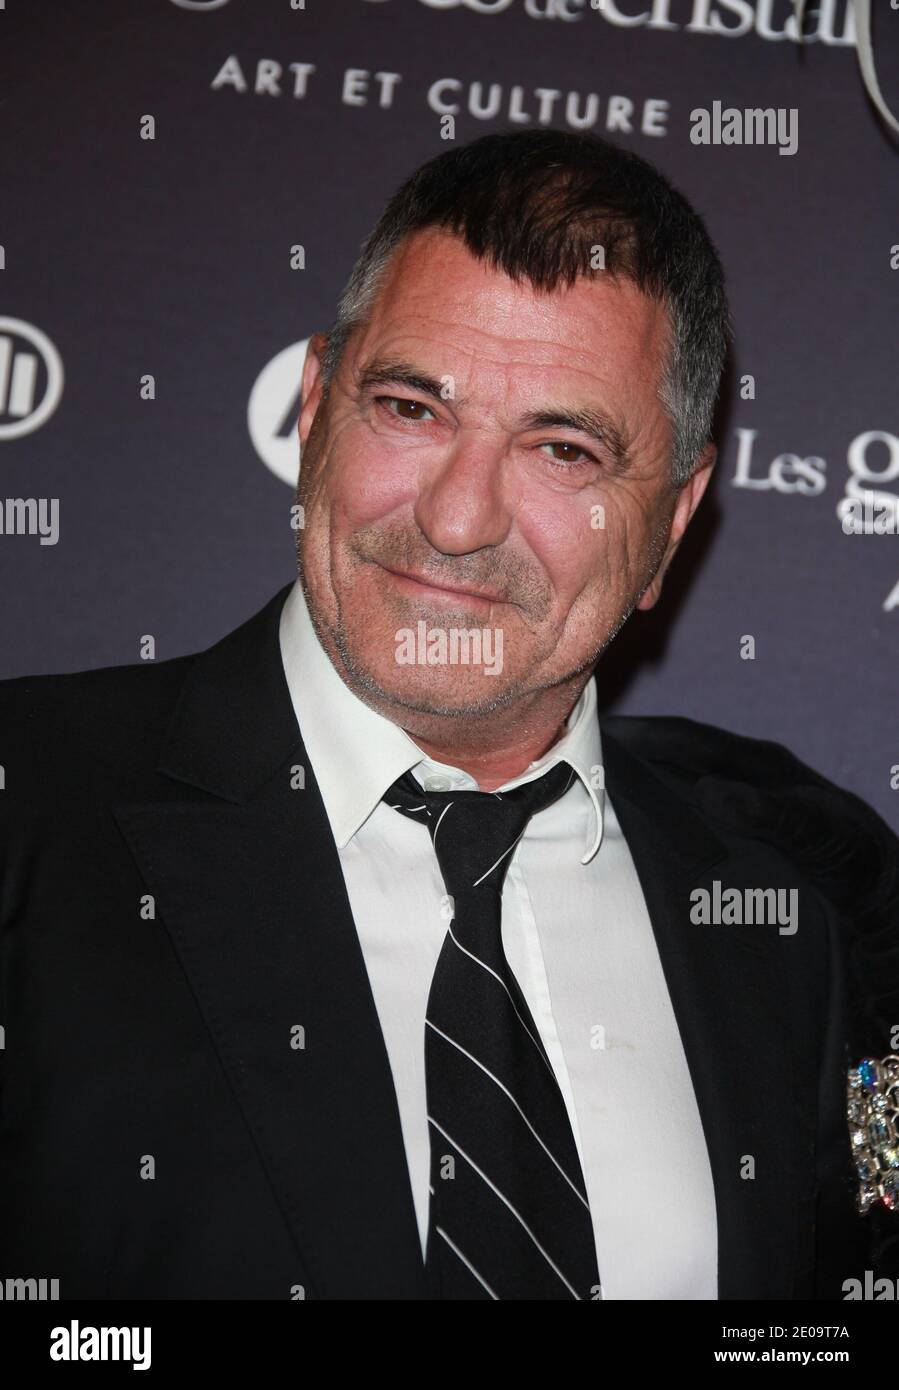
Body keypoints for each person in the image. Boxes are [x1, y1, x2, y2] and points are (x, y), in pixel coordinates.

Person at [1, 129, 897, 1301]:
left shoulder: (807, 884)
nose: (459, 516)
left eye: (563, 448)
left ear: (671, 521)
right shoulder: (29, 812)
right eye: (413, 407)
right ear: (317, 405)